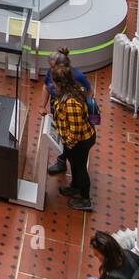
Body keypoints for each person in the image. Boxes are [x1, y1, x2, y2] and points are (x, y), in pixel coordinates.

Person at [41, 48, 93, 178]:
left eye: (53, 68)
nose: (51, 72)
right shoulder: (52, 73)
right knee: (62, 132)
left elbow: (89, 92)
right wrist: (43, 106)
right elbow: (46, 87)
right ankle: (62, 161)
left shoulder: (78, 77)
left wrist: (82, 108)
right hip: (59, 106)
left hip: (72, 111)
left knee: (71, 139)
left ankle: (72, 164)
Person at [51, 66, 96, 212]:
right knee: (75, 165)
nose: (52, 85)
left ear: (61, 84)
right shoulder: (67, 93)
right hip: (74, 141)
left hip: (80, 142)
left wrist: (68, 145)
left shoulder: (71, 102)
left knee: (80, 168)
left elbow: (76, 130)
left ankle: (85, 199)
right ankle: (75, 187)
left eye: (54, 83)